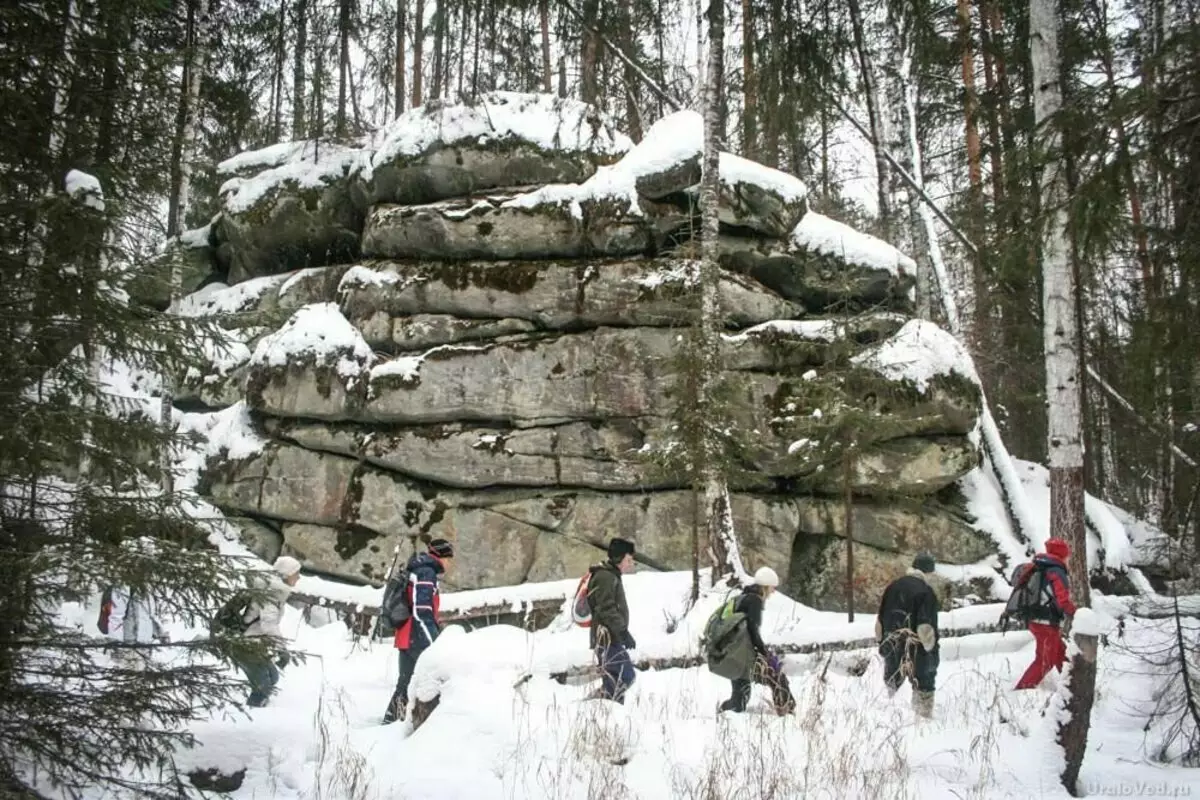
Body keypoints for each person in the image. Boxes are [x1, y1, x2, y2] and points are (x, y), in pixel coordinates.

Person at [383, 538, 455, 724]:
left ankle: (390, 724)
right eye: (450, 558)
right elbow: (422, 611)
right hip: (417, 637)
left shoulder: (420, 568)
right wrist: (434, 642)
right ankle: (424, 725)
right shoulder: (426, 572)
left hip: (407, 635)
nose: (450, 563)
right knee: (429, 683)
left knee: (405, 684)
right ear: (442, 557)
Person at [717, 566, 796, 715]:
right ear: (766, 587)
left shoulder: (744, 597)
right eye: (773, 588)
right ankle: (787, 711)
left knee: (739, 701)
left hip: (732, 653)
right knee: (776, 676)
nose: (773, 592)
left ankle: (723, 711)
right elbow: (752, 631)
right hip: (739, 655)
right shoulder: (754, 601)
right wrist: (764, 653)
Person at [876, 553, 941, 718]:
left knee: (892, 683)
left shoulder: (893, 586)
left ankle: (887, 716)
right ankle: (922, 718)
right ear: (928, 573)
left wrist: (882, 642)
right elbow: (925, 627)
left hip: (891, 644)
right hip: (916, 648)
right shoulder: (926, 592)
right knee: (923, 683)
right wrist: (931, 653)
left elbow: (880, 621)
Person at [237, 555, 302, 707]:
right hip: (245, 644)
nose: (299, 577)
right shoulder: (270, 596)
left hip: (255, 643)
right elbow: (269, 625)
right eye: (296, 574)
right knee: (263, 684)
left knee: (272, 678)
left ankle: (260, 708)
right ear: (286, 575)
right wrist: (282, 649)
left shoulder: (275, 593)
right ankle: (253, 716)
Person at [1015, 537, 1077, 690]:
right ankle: (1023, 690)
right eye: (1067, 555)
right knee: (1045, 660)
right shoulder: (1056, 571)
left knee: (1060, 653)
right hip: (1046, 622)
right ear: (1063, 554)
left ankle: (1074, 687)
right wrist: (1076, 612)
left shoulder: (1040, 566)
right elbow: (1062, 599)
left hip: (1035, 619)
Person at [586, 537, 637, 704]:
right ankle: (595, 704)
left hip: (611, 637)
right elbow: (605, 608)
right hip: (606, 638)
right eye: (629, 559)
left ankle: (609, 711)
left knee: (616, 679)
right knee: (625, 676)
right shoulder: (605, 577)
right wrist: (623, 631)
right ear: (619, 558)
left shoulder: (611, 576)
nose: (631, 563)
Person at [98, 586, 168, 668]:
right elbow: (114, 618)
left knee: (140, 677)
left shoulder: (146, 591)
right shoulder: (120, 590)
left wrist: (161, 634)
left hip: (144, 645)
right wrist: (116, 642)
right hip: (124, 646)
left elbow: (151, 616)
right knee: (123, 676)